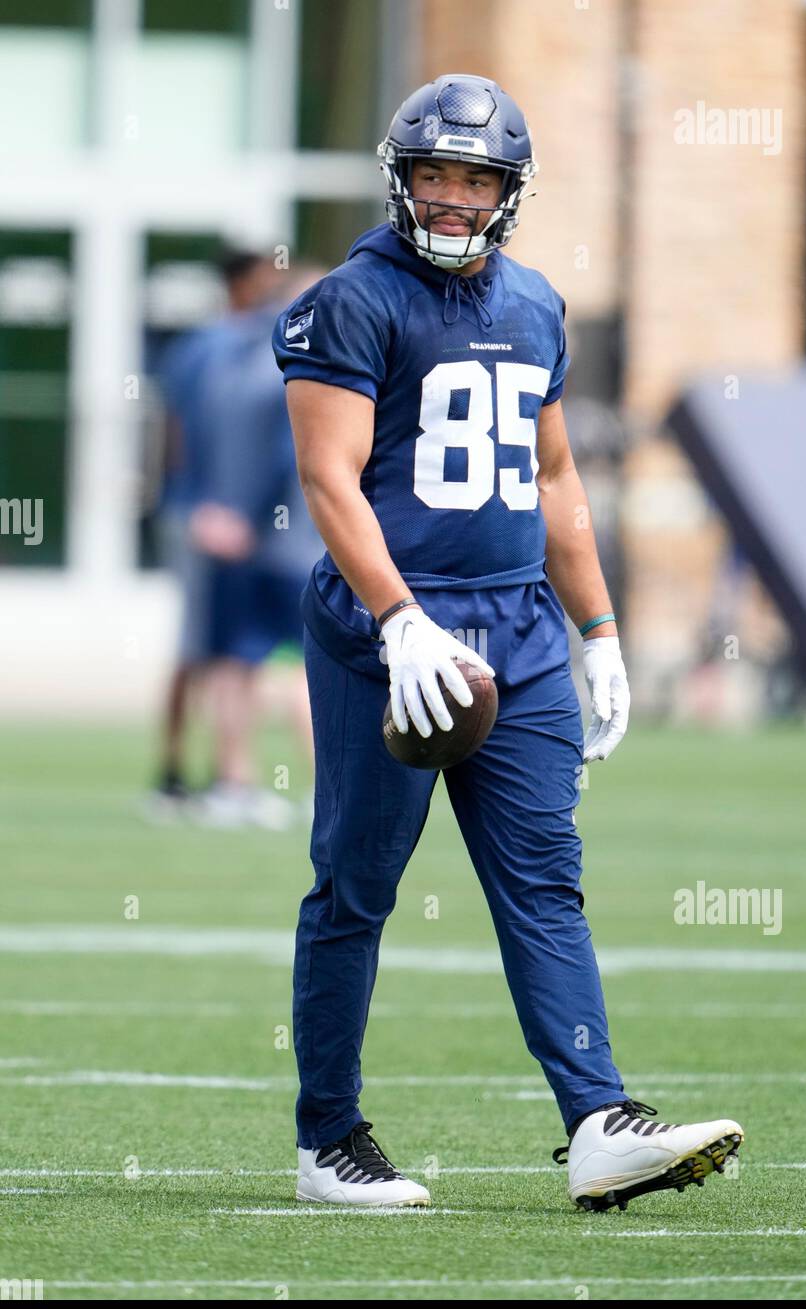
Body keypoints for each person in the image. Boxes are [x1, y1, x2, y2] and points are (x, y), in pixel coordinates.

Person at [273, 75, 743, 1210]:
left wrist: (598, 630)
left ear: (506, 193)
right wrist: (398, 623)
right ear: (399, 180)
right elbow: (327, 478)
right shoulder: (354, 298)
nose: (448, 197)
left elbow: (553, 475)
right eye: (431, 173)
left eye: (471, 178)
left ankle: (597, 1120)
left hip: (519, 624)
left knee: (544, 880)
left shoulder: (533, 303)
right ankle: (326, 1136)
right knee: (355, 884)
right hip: (388, 621)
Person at [151, 251, 322, 828]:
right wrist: (225, 513)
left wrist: (205, 507)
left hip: (255, 532)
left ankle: (212, 779)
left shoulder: (235, 353)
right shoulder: (247, 356)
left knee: (228, 657)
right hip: (275, 538)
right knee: (255, 659)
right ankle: (238, 781)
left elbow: (183, 437)